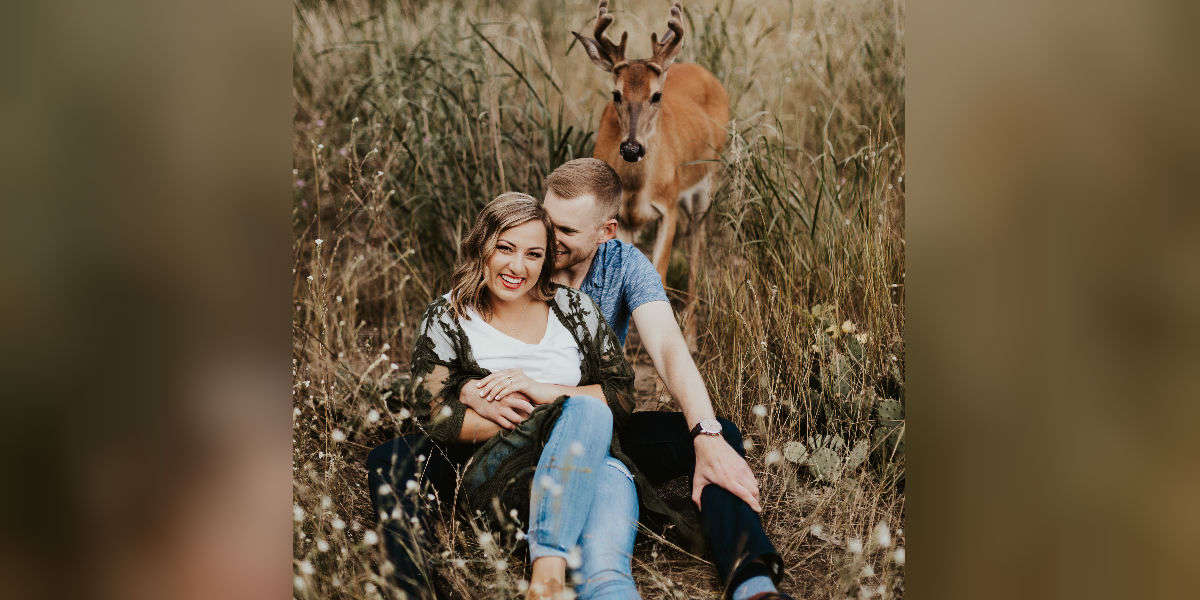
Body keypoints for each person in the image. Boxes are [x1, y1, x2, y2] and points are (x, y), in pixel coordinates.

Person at [369, 159, 790, 600]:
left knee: (717, 438)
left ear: (606, 231)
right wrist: (466, 390)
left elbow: (666, 347)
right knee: (392, 460)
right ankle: (413, 586)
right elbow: (446, 360)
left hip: (590, 420)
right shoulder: (516, 255)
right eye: (545, 223)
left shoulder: (618, 271)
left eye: (564, 232)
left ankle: (750, 579)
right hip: (497, 430)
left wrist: (705, 433)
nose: (548, 242)